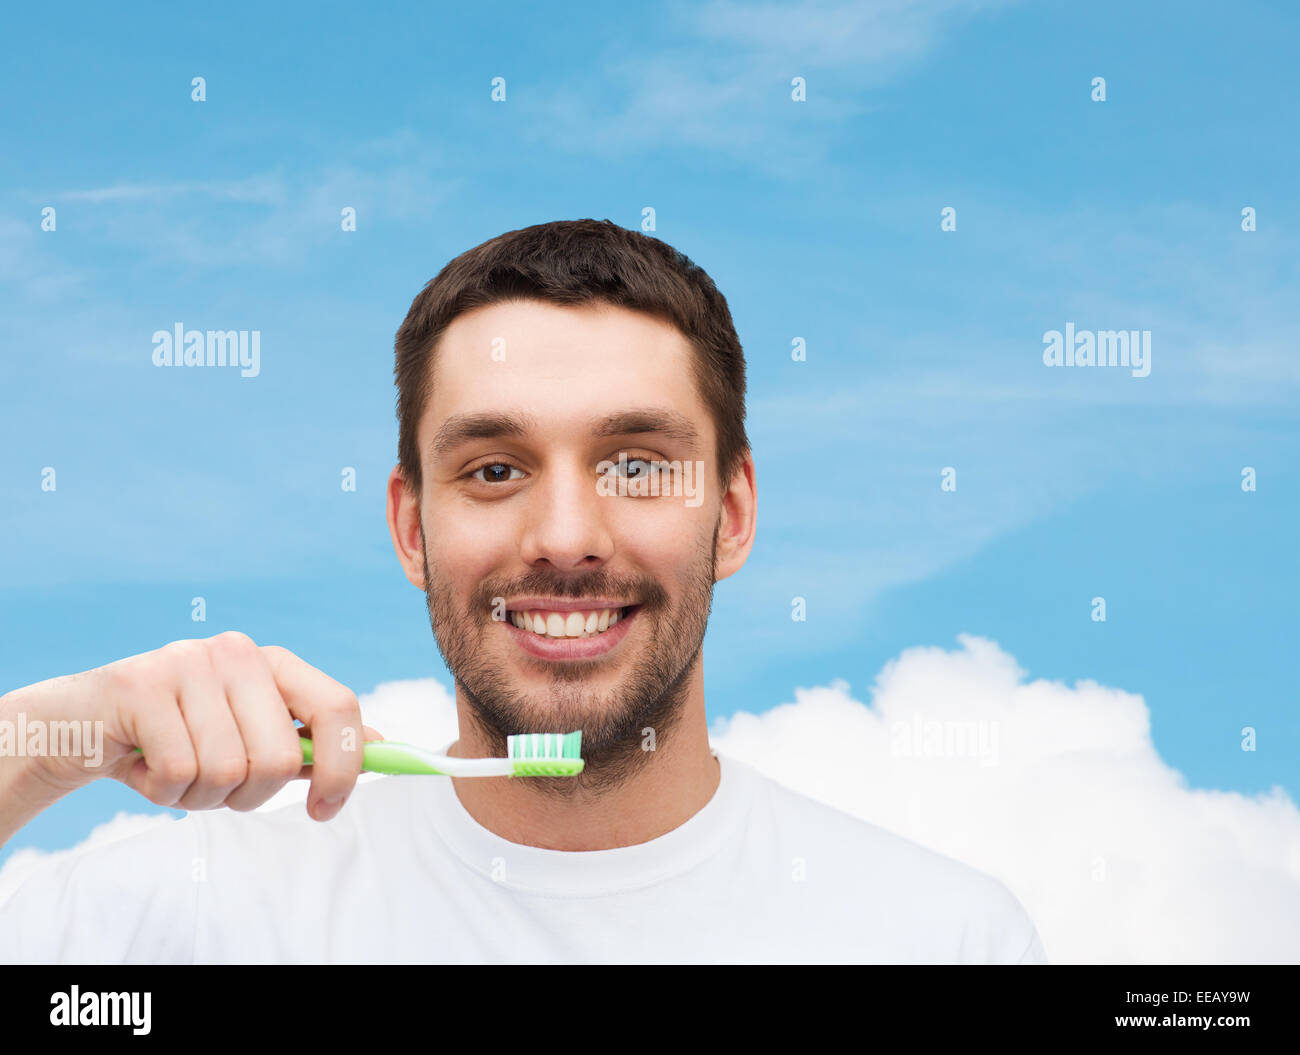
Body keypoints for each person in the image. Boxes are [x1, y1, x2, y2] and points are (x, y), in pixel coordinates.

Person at [0, 219, 1046, 964]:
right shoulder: (180, 920)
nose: (564, 538)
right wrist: (44, 742)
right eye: (495, 469)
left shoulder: (941, 936)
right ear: (412, 527)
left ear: (730, 513)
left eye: (635, 464)